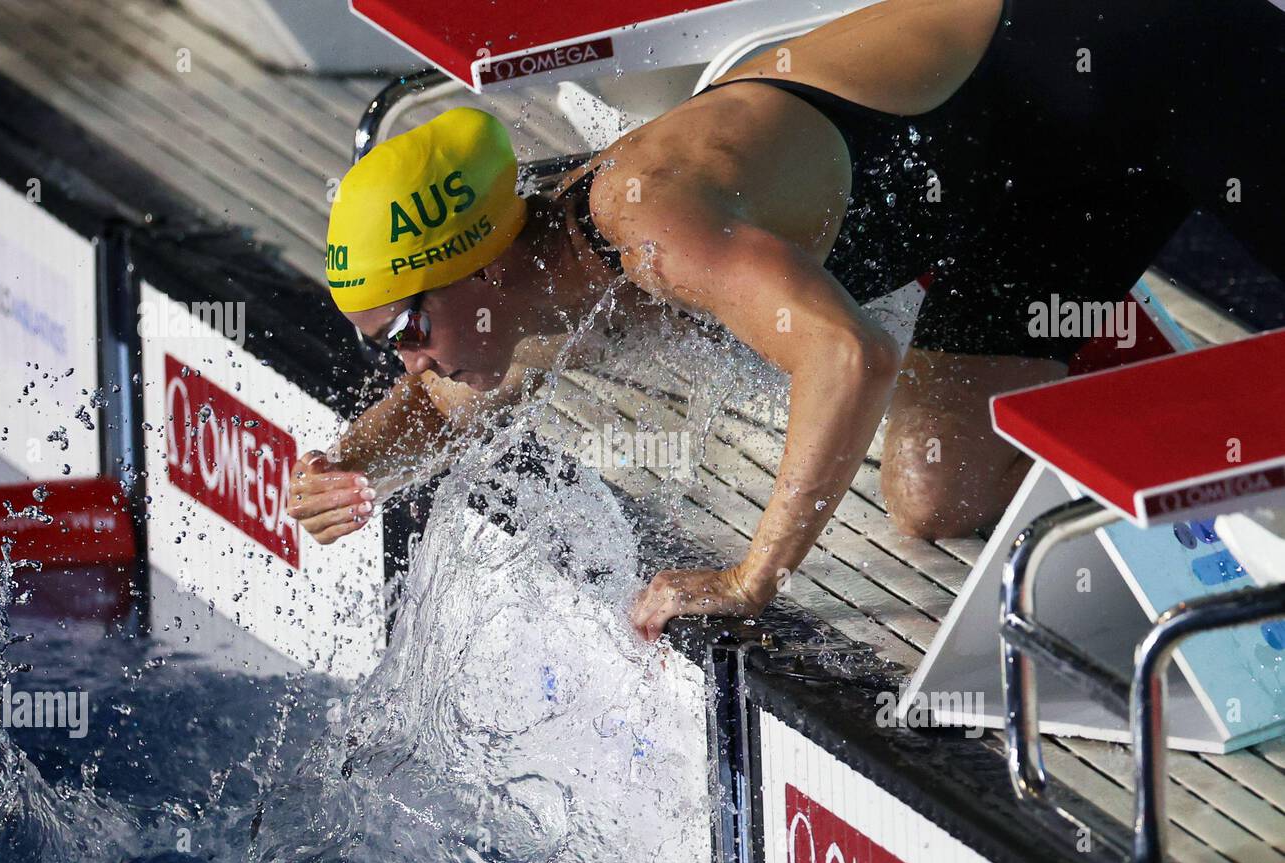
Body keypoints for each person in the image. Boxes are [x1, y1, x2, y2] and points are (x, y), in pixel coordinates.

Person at [290, 0, 1284, 641]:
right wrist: (349, 465)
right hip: (1036, 185)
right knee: (940, 488)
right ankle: (1201, 441)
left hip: (1149, 45)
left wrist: (752, 574)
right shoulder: (533, 284)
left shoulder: (648, 217)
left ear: (475, 271)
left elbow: (848, 354)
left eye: (402, 331)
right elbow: (437, 398)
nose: (404, 358)